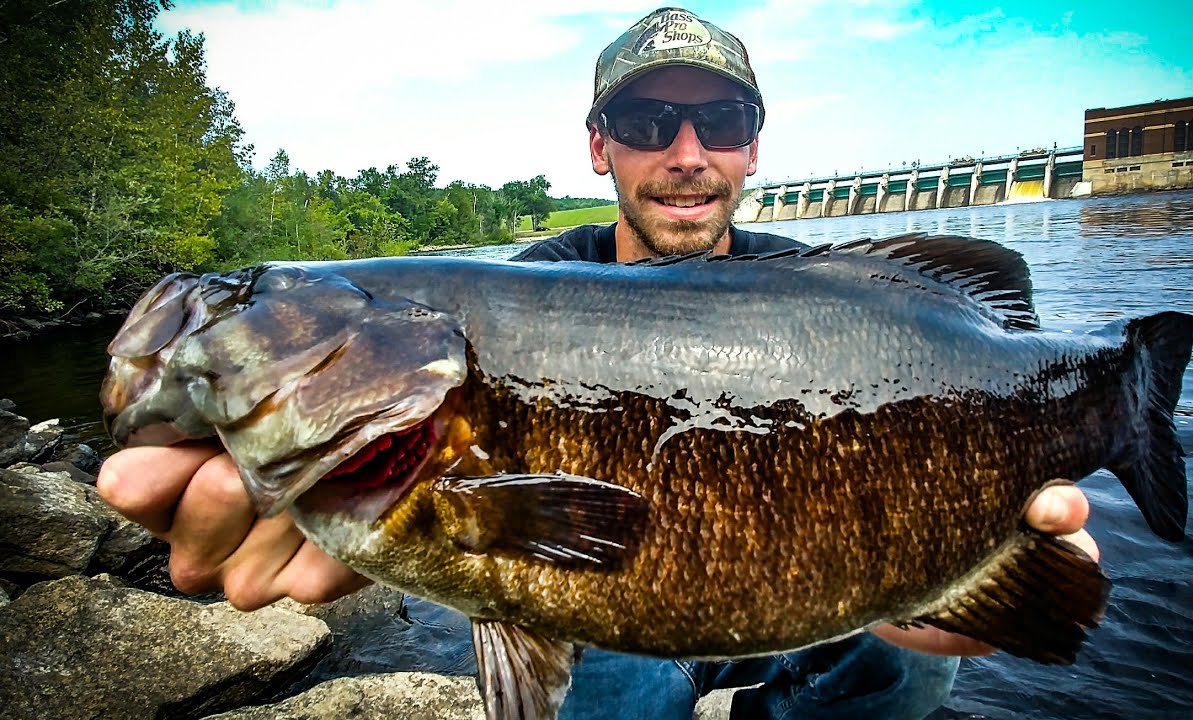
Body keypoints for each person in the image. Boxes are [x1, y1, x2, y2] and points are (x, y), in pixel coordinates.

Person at [98, 7, 1098, 719]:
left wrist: (975, 582)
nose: (686, 152)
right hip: (596, 602)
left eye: (722, 123)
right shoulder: (523, 290)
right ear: (598, 147)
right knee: (611, 688)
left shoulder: (834, 293)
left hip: (823, 600)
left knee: (917, 668)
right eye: (647, 124)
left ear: (754, 150)